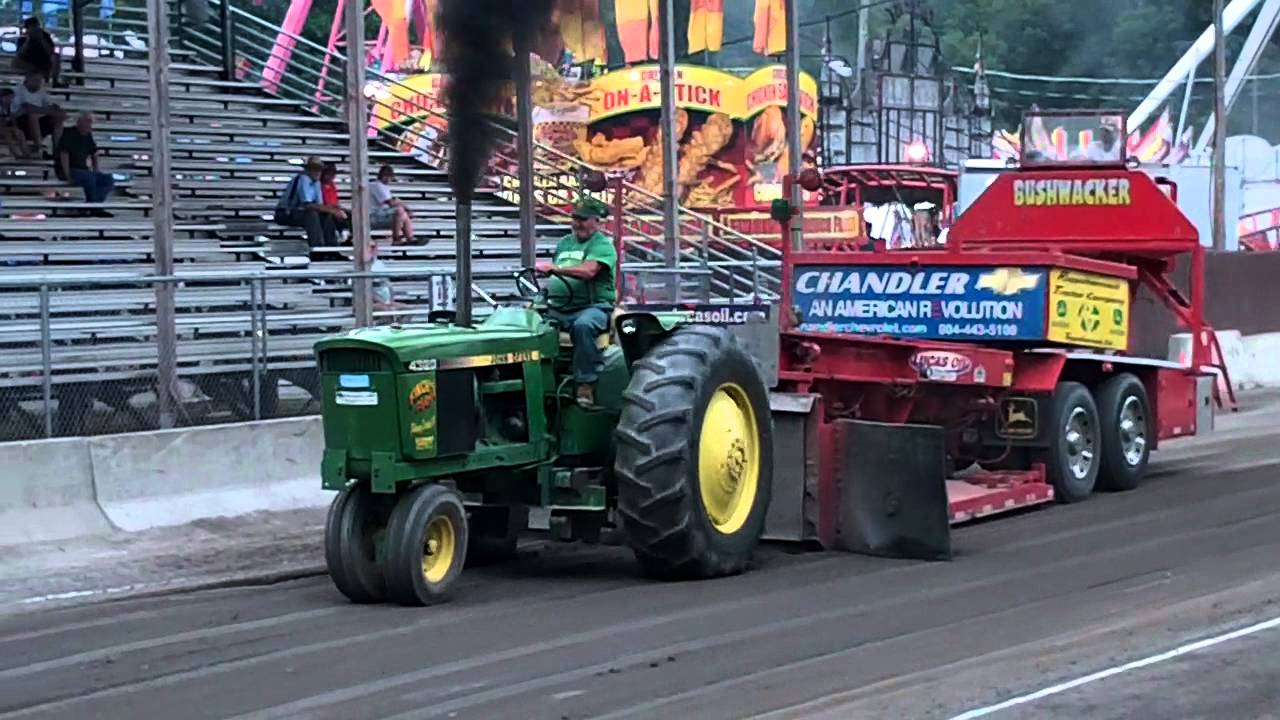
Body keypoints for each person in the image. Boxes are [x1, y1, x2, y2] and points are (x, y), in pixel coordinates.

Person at [536, 197, 617, 408]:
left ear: (597, 221)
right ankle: (538, 379)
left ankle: (585, 384)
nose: (576, 223)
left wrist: (555, 270)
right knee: (530, 324)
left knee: (584, 326)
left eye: (583, 219)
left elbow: (589, 271)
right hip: (560, 307)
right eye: (574, 218)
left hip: (592, 308)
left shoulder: (603, 245)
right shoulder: (565, 243)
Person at [274, 156, 344, 247]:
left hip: (298, 213)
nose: (317, 172)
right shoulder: (303, 179)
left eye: (319, 170)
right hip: (285, 213)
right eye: (314, 169)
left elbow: (320, 205)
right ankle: (317, 248)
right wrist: (332, 210)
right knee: (311, 214)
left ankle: (332, 247)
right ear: (308, 170)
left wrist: (333, 210)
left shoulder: (317, 183)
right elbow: (307, 205)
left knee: (326, 215)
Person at [56, 112, 115, 210]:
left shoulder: (88, 136)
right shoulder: (68, 133)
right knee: (89, 178)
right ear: (79, 121)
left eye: (91, 122)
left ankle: (94, 204)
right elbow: (64, 155)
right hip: (70, 169)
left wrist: (96, 171)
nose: (90, 124)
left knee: (108, 179)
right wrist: (67, 175)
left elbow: (94, 153)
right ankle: (94, 207)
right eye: (88, 121)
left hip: (83, 170)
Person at [12, 72, 63, 157]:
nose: (38, 83)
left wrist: (54, 110)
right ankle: (39, 148)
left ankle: (57, 150)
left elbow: (50, 106)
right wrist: (46, 111)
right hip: (21, 122)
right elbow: (27, 108)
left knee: (58, 118)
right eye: (35, 80)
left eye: (40, 81)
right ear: (27, 79)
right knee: (33, 116)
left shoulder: (41, 92)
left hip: (40, 121)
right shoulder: (18, 91)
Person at [368, 163, 416, 244]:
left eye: (389, 176)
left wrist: (404, 207)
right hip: (373, 216)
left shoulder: (384, 187)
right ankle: (396, 239)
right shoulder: (376, 185)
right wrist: (406, 207)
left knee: (404, 215)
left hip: (381, 214)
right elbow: (390, 203)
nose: (387, 179)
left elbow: (393, 202)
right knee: (400, 211)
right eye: (385, 176)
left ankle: (410, 238)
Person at [13, 17, 62, 87]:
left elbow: (51, 52)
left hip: (43, 61)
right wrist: (28, 40)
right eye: (31, 27)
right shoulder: (23, 38)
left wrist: (41, 39)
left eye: (35, 26)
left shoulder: (45, 36)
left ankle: (55, 82)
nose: (34, 29)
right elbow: (20, 54)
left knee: (56, 56)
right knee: (17, 61)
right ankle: (29, 82)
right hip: (28, 62)